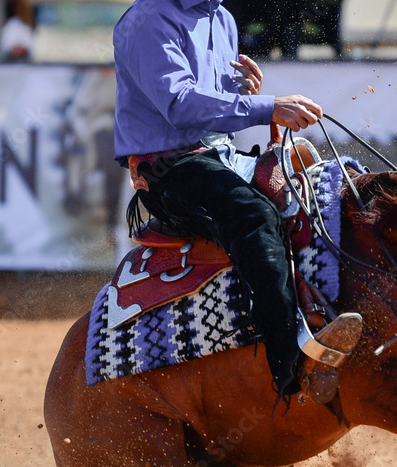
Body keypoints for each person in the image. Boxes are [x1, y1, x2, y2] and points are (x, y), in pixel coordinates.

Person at [113, 0, 358, 402]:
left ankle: (318, 314)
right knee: (255, 215)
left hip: (218, 157)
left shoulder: (222, 18)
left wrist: (243, 92)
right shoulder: (147, 20)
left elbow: (209, 102)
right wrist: (267, 107)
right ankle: (290, 367)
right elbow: (179, 105)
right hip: (169, 171)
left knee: (316, 194)